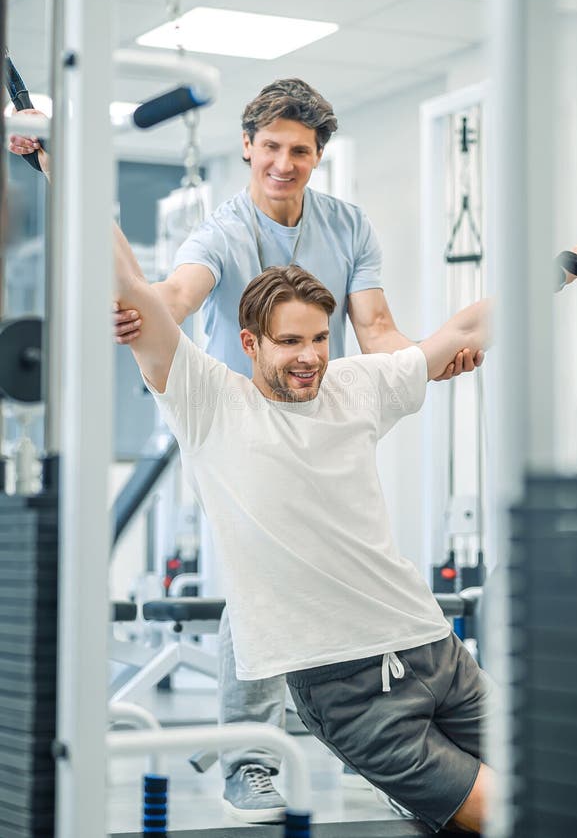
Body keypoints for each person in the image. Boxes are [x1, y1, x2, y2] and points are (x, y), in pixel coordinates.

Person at [10, 82, 481, 824]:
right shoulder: (222, 229)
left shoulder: (347, 226)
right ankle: (250, 758)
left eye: (299, 151)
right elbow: (171, 295)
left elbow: (379, 330)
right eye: (271, 148)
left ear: (317, 156)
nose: (283, 164)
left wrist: (423, 361)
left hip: (320, 410)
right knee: (264, 572)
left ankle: (401, 742)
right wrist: (77, 196)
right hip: (237, 420)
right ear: (246, 147)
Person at [111, 238, 492, 833]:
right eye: (290, 341)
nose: (310, 356)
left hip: (436, 649)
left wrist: (565, 270)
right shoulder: (209, 403)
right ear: (250, 343)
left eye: (319, 338)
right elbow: (135, 292)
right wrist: (60, 169)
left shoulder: (357, 383)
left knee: (565, 780)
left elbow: (463, 328)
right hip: (349, 691)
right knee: (512, 810)